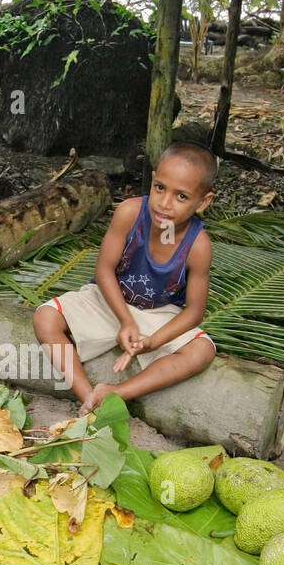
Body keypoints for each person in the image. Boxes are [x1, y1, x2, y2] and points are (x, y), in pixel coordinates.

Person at [33, 143, 217, 412]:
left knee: (202, 351)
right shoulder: (129, 213)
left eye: (181, 197)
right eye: (160, 188)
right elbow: (104, 270)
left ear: (203, 202)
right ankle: (87, 395)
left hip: (158, 315)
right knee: (45, 318)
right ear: (152, 180)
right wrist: (125, 319)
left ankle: (116, 393)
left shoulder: (198, 246)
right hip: (111, 300)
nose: (164, 204)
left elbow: (195, 312)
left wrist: (154, 341)